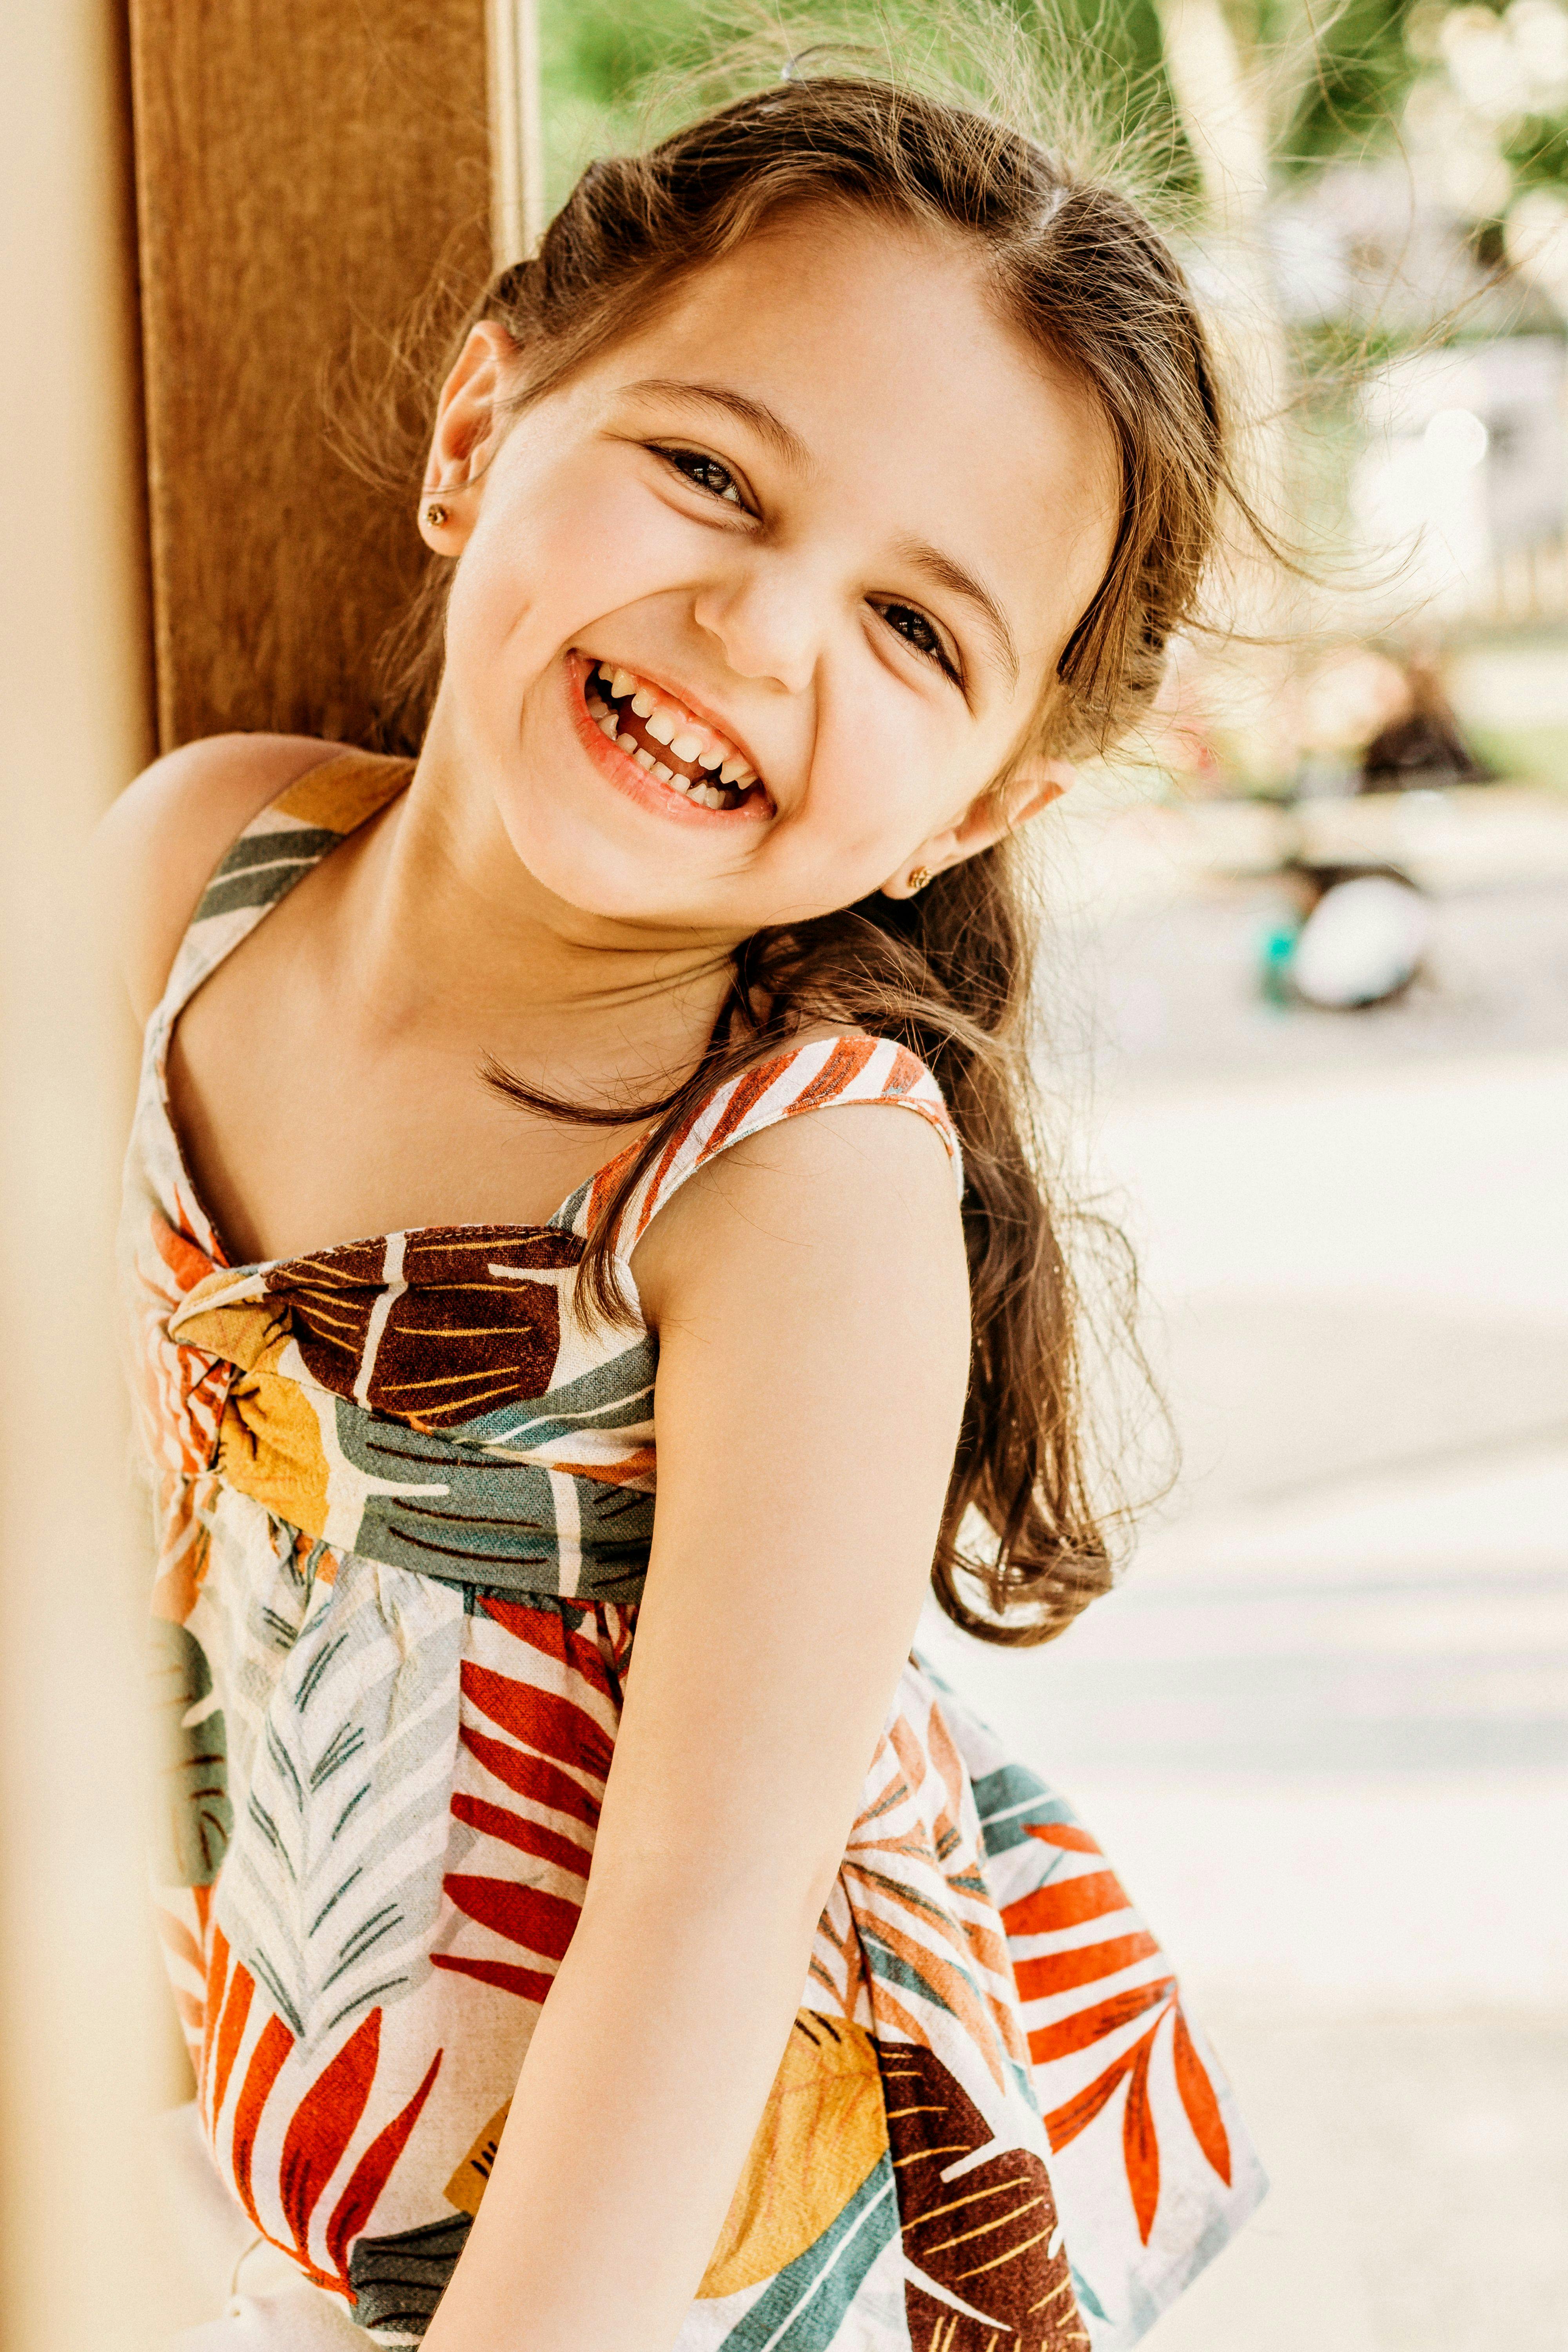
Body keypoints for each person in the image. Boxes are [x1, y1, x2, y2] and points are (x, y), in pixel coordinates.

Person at [105, 72, 1266, 2352]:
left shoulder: (798, 1187)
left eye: (917, 630)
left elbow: (696, 1941)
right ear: (481, 429)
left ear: (980, 806)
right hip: (276, 2135)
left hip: (681, 2248)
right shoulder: (193, 872)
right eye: (712, 475)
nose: (759, 628)